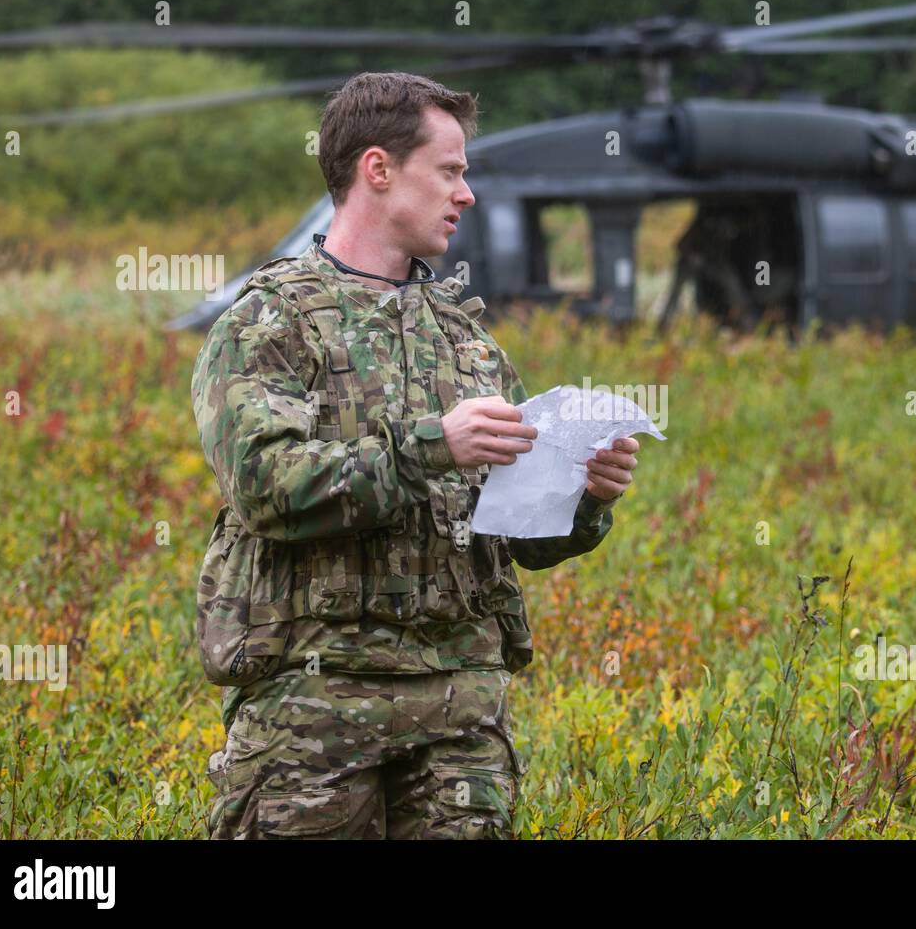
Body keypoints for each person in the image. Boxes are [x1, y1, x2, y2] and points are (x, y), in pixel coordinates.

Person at [190, 71, 640, 838]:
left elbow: (516, 538)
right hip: (313, 715)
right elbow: (265, 486)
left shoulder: (467, 342)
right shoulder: (271, 321)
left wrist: (587, 495)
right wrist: (431, 447)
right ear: (378, 169)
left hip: (461, 722)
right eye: (451, 171)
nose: (466, 194)